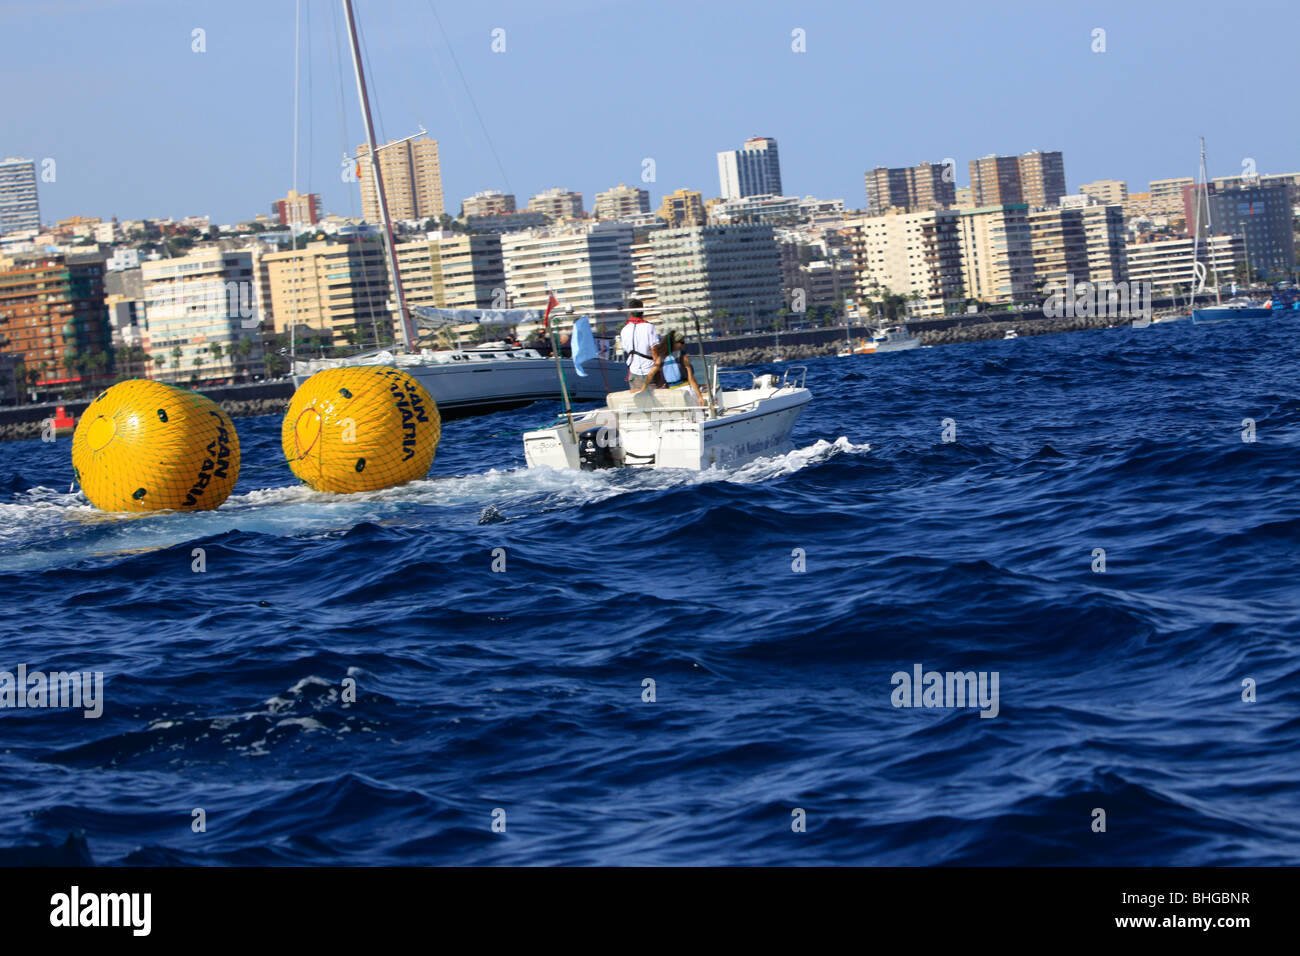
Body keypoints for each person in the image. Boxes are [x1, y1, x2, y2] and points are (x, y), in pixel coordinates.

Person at [650, 330, 708, 408]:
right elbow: (691, 380)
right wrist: (700, 396)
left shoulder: (662, 358)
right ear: (676, 344)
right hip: (686, 390)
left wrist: (644, 387)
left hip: (671, 392)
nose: (683, 345)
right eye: (682, 342)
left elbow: (654, 375)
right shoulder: (682, 356)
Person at [618, 298, 659, 392]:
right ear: (642, 312)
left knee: (638, 400)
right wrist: (659, 369)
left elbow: (626, 349)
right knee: (653, 400)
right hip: (649, 370)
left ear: (630, 312)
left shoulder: (624, 329)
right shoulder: (649, 327)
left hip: (633, 370)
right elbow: (654, 350)